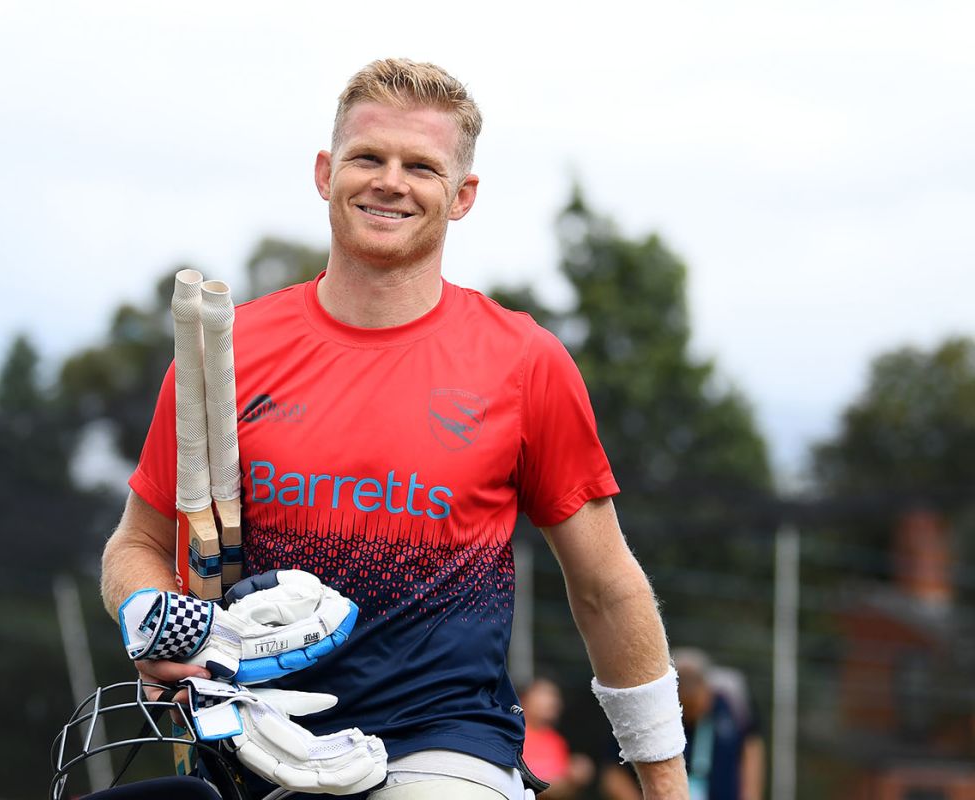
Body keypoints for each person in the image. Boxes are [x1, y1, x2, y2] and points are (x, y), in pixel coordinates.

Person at [100, 58, 689, 800]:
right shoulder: (225, 354)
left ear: (462, 195)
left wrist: (666, 786)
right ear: (325, 173)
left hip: (445, 745)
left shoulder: (523, 361)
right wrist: (155, 616)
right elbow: (138, 544)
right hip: (255, 743)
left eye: (421, 166)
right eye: (367, 158)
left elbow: (605, 588)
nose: (390, 182)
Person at [601, 649, 763, 800]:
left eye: (696, 705)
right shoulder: (647, 716)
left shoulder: (729, 705)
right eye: (686, 707)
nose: (694, 714)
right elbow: (613, 774)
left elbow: (751, 748)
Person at [519, 677, 595, 798]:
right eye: (544, 694)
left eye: (555, 696)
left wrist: (575, 776)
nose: (553, 701)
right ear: (524, 700)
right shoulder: (514, 735)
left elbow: (559, 789)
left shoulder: (556, 741)